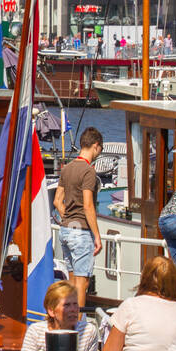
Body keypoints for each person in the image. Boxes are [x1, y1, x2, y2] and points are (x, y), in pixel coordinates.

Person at [54, 127, 103, 310]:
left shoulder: (67, 168)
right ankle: (79, 326)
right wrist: (97, 236)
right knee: (82, 282)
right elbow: (88, 205)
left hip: (66, 230)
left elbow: (57, 201)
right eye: (100, 149)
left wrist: (67, 216)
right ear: (96, 146)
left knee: (73, 280)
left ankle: (68, 322)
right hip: (81, 232)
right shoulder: (88, 171)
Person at [20, 280, 98, 351]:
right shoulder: (36, 332)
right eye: (67, 305)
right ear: (51, 311)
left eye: (75, 304)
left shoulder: (88, 331)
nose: (73, 309)